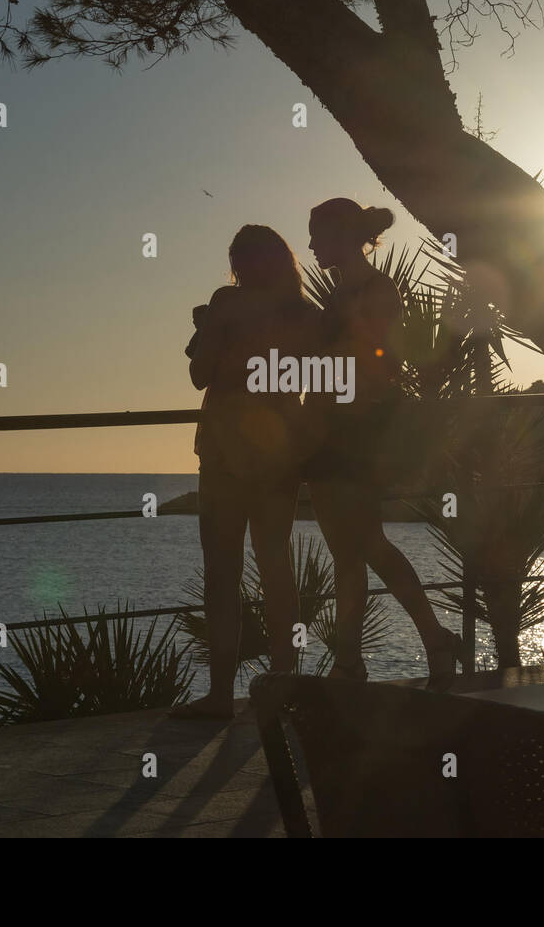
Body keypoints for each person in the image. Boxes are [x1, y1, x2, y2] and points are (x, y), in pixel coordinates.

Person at [305, 197, 463, 690]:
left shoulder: (377, 290)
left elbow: (384, 362)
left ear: (340, 235)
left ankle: (428, 640)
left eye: (316, 235)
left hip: (355, 432)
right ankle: (358, 660)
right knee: (352, 552)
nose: (310, 245)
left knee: (365, 545)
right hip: (330, 430)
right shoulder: (338, 294)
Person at [171, 225, 321, 719]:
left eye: (242, 258)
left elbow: (198, 375)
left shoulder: (227, 303)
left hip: (225, 450)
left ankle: (221, 696)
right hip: (276, 450)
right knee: (272, 568)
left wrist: (213, 334)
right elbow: (314, 374)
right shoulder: (302, 313)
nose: (240, 268)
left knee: (224, 572)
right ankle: (283, 686)